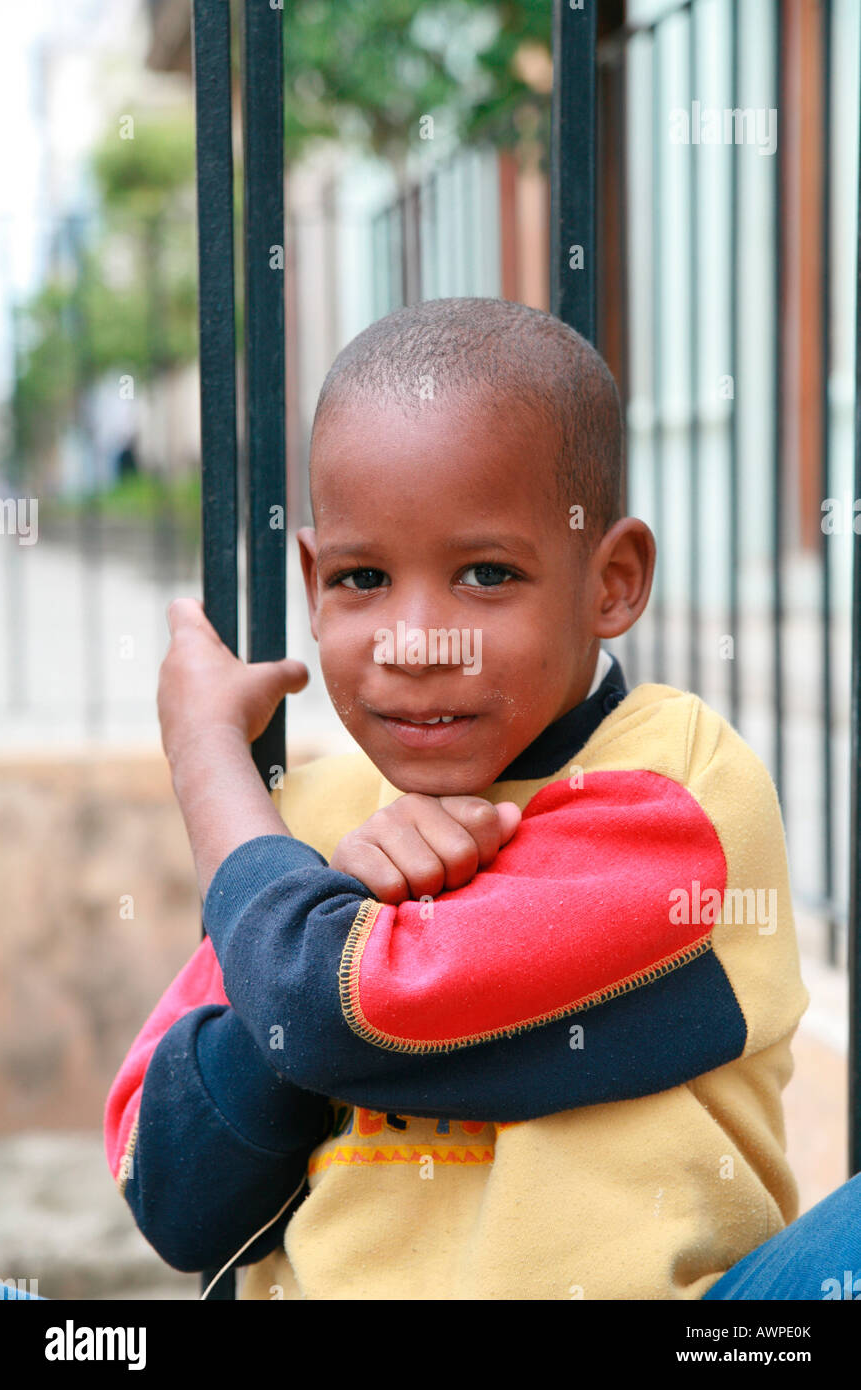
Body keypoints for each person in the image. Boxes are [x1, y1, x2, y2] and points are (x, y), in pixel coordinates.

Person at [105, 297, 843, 1300]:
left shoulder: (672, 788)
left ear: (610, 581)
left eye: (485, 573)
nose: (415, 642)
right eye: (363, 577)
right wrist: (329, 897)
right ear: (313, 579)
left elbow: (325, 1010)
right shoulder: (308, 825)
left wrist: (208, 765)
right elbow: (171, 1190)